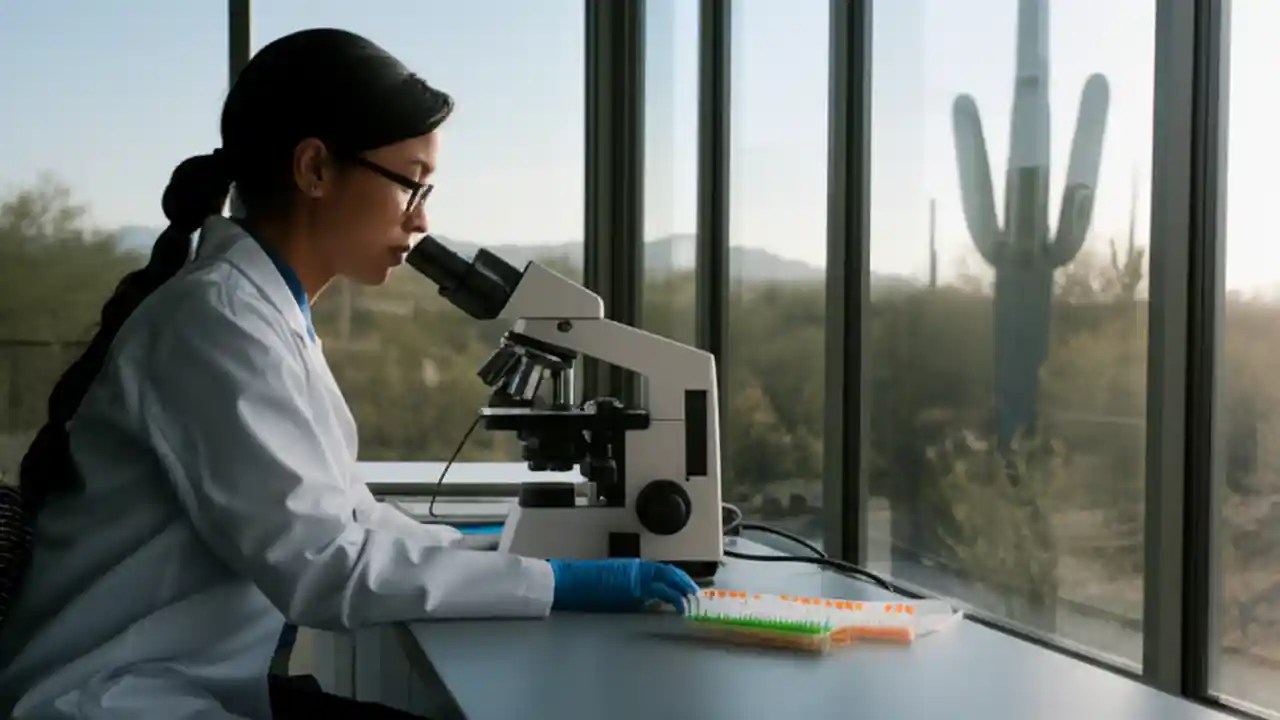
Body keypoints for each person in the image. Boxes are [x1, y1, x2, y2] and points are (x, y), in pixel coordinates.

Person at [0, 28, 698, 719]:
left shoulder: (260, 312)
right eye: (412, 186)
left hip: (180, 683)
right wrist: (553, 582)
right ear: (314, 169)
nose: (423, 221)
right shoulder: (214, 324)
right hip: (112, 698)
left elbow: (349, 517)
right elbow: (326, 568)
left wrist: (483, 550)